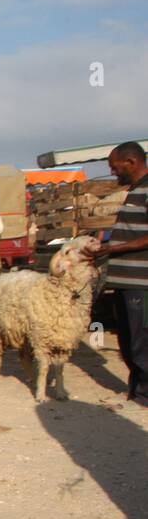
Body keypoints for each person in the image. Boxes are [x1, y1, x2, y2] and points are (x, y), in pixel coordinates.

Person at [83, 141, 148, 405]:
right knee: (128, 340)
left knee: (141, 341)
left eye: (114, 166)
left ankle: (144, 396)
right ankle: (136, 391)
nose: (112, 172)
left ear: (131, 162)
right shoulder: (134, 190)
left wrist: (112, 248)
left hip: (141, 283)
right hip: (124, 281)